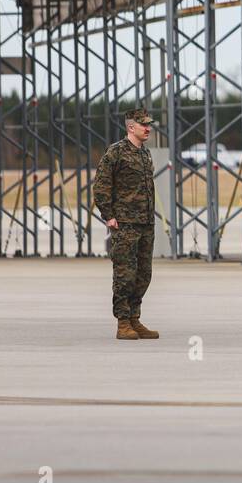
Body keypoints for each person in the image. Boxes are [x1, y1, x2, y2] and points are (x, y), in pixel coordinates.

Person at [94, 107, 159, 341]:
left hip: (145, 222)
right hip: (125, 224)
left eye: (149, 124)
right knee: (125, 274)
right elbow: (101, 185)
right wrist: (108, 215)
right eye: (144, 124)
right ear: (131, 127)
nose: (148, 128)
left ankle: (134, 318)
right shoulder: (116, 152)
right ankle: (123, 322)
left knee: (144, 273)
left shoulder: (145, 154)